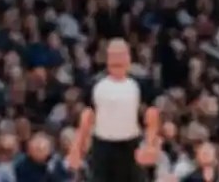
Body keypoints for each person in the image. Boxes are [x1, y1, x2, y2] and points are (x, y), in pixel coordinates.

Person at [67, 39, 160, 182]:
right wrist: (76, 148)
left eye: (121, 55)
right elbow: (87, 117)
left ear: (128, 57)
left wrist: (150, 145)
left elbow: (151, 116)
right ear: (107, 58)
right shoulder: (95, 83)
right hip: (102, 146)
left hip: (131, 145)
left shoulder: (141, 83)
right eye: (114, 56)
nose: (117, 60)